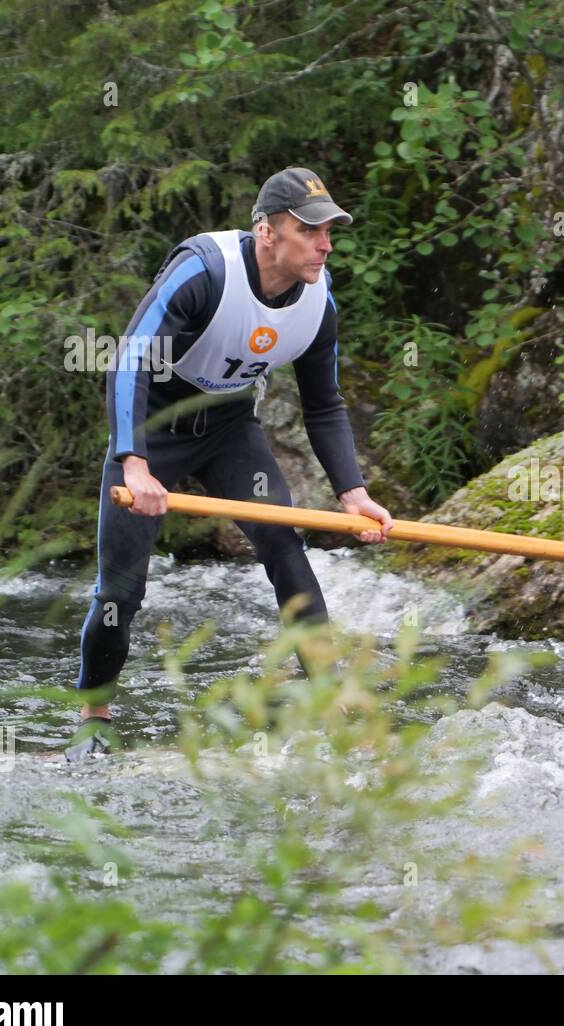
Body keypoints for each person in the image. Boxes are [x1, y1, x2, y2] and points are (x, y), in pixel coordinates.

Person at [68, 166, 393, 761]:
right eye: (310, 230)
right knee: (121, 589)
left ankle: (331, 702)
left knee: (285, 548)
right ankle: (95, 717)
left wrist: (352, 493)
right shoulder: (203, 271)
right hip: (152, 430)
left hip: (228, 429)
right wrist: (134, 463)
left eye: (330, 232)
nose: (325, 244)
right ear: (268, 232)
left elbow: (325, 404)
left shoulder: (320, 305)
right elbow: (130, 361)